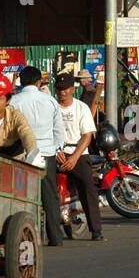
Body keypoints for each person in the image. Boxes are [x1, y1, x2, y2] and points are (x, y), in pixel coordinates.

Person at [11, 65, 66, 246]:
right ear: (38, 82)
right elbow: (59, 129)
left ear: (21, 81)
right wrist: (57, 148)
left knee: (22, 195)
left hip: (23, 153)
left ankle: (25, 237)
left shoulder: (14, 101)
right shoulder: (49, 101)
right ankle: (56, 237)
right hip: (47, 153)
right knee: (50, 195)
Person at [54, 74, 105, 241]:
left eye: (66, 89)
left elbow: (87, 136)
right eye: (59, 89)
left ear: (72, 90)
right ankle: (51, 232)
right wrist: (56, 151)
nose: (62, 92)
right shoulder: (51, 107)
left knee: (88, 190)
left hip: (78, 153)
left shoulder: (81, 108)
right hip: (55, 153)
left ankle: (96, 230)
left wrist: (74, 157)